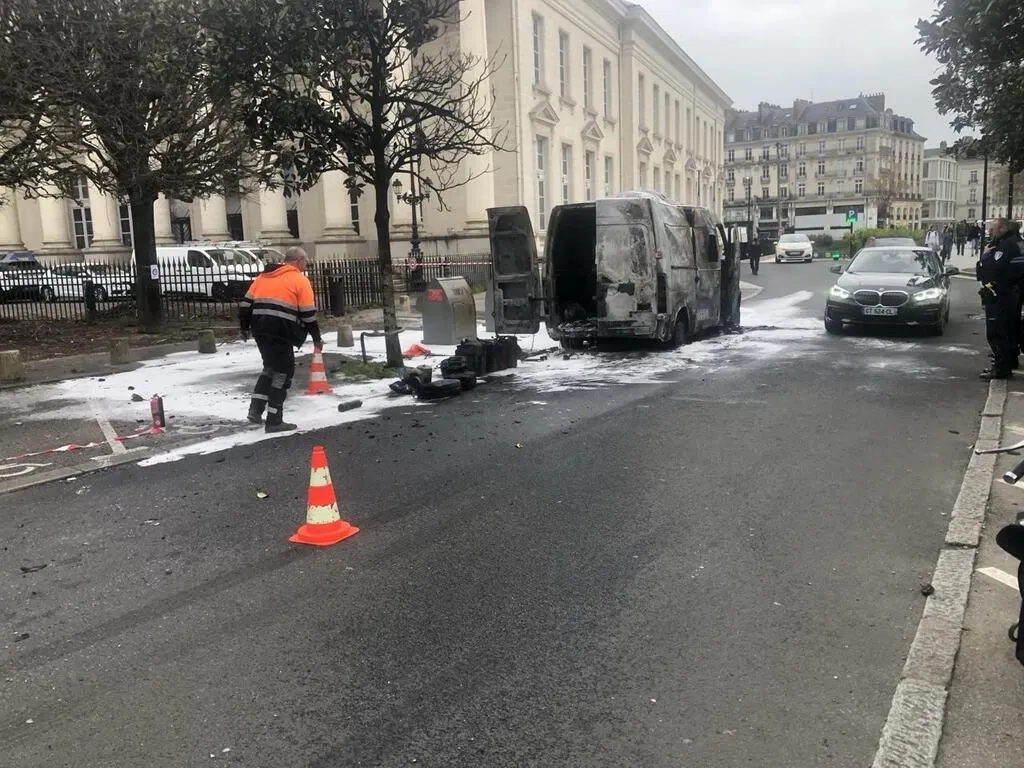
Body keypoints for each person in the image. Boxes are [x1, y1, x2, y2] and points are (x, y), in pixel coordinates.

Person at [239, 246, 324, 432]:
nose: (305, 265)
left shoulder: (263, 277)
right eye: (305, 262)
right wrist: (317, 338)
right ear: (299, 260)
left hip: (261, 330)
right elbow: (309, 314)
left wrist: (244, 327)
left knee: (270, 368)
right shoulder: (299, 280)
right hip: (282, 331)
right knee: (283, 374)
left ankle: (256, 408)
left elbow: (245, 304)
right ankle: (274, 419)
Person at [977, 218, 1024, 380]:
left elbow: (992, 269)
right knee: (1011, 330)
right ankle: (1010, 361)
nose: (990, 232)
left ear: (1003, 229)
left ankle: (1001, 368)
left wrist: (984, 257)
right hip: (1013, 294)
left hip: (1000, 295)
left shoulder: (1005, 246)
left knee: (998, 332)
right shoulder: (1019, 243)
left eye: (993, 230)